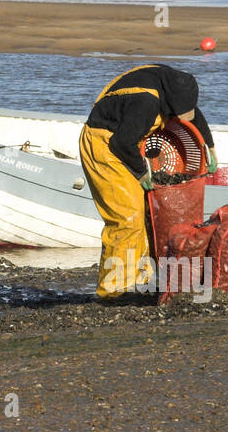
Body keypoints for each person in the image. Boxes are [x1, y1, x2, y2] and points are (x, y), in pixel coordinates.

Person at [79, 65, 217, 302]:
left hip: (126, 143)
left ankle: (141, 282)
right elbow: (122, 143)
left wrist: (210, 148)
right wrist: (143, 174)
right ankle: (112, 292)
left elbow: (193, 115)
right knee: (126, 218)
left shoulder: (172, 84)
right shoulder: (147, 103)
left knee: (146, 215)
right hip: (104, 146)